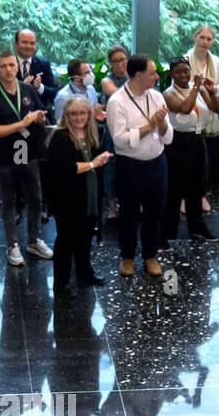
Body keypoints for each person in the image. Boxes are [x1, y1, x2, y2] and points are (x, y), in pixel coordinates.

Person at [0, 50, 51, 268]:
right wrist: (22, 123)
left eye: (11, 65)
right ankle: (12, 245)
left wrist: (39, 117)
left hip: (28, 153)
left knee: (36, 199)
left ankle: (34, 240)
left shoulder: (27, 89)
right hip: (5, 157)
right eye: (3, 66)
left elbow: (39, 112)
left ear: (17, 67)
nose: (8, 70)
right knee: (9, 201)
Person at [107, 54, 173, 278]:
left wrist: (162, 123)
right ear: (138, 75)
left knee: (155, 212)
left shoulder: (155, 96)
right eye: (152, 72)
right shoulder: (117, 101)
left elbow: (169, 137)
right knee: (129, 215)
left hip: (158, 163)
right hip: (130, 166)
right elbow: (120, 140)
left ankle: (150, 256)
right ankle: (127, 258)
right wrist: (149, 126)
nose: (156, 76)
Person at [46, 96, 111, 293]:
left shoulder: (92, 134)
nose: (78, 117)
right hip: (66, 199)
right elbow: (65, 168)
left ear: (89, 114)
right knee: (65, 241)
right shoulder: (60, 137)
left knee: (84, 238)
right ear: (66, 115)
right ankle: (62, 283)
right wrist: (94, 163)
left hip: (89, 197)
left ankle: (85, 273)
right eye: (73, 113)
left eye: (83, 113)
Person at [163, 57, 219, 244]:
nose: (183, 75)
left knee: (197, 185)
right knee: (176, 187)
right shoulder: (168, 93)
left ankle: (197, 227)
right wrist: (195, 87)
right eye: (178, 71)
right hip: (179, 142)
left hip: (198, 139)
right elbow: (185, 109)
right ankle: (168, 231)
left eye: (186, 71)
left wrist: (211, 93)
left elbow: (217, 108)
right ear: (172, 74)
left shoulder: (200, 89)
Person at [186, 24, 219, 214]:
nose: (205, 42)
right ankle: (183, 196)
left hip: (210, 114)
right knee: (188, 159)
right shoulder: (186, 59)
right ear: (195, 37)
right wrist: (199, 88)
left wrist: (214, 90)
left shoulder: (217, 62)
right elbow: (178, 85)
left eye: (209, 39)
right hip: (190, 114)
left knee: (205, 160)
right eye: (202, 37)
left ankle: (201, 194)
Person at [99, 45, 130, 221]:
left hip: (130, 130)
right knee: (110, 169)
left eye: (123, 59)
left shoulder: (133, 77)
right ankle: (111, 207)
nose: (120, 64)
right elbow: (118, 95)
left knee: (129, 168)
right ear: (111, 64)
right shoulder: (106, 80)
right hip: (112, 131)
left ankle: (130, 203)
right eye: (115, 61)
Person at [13, 29, 56, 119]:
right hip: (16, 117)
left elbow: (54, 93)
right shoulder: (8, 65)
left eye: (32, 43)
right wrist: (22, 86)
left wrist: (40, 87)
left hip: (42, 116)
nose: (29, 46)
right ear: (15, 44)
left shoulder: (44, 64)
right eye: (24, 42)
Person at [53, 58, 105, 125]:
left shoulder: (91, 89)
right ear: (76, 78)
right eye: (87, 73)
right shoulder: (63, 97)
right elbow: (60, 124)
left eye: (90, 71)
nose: (91, 75)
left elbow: (96, 112)